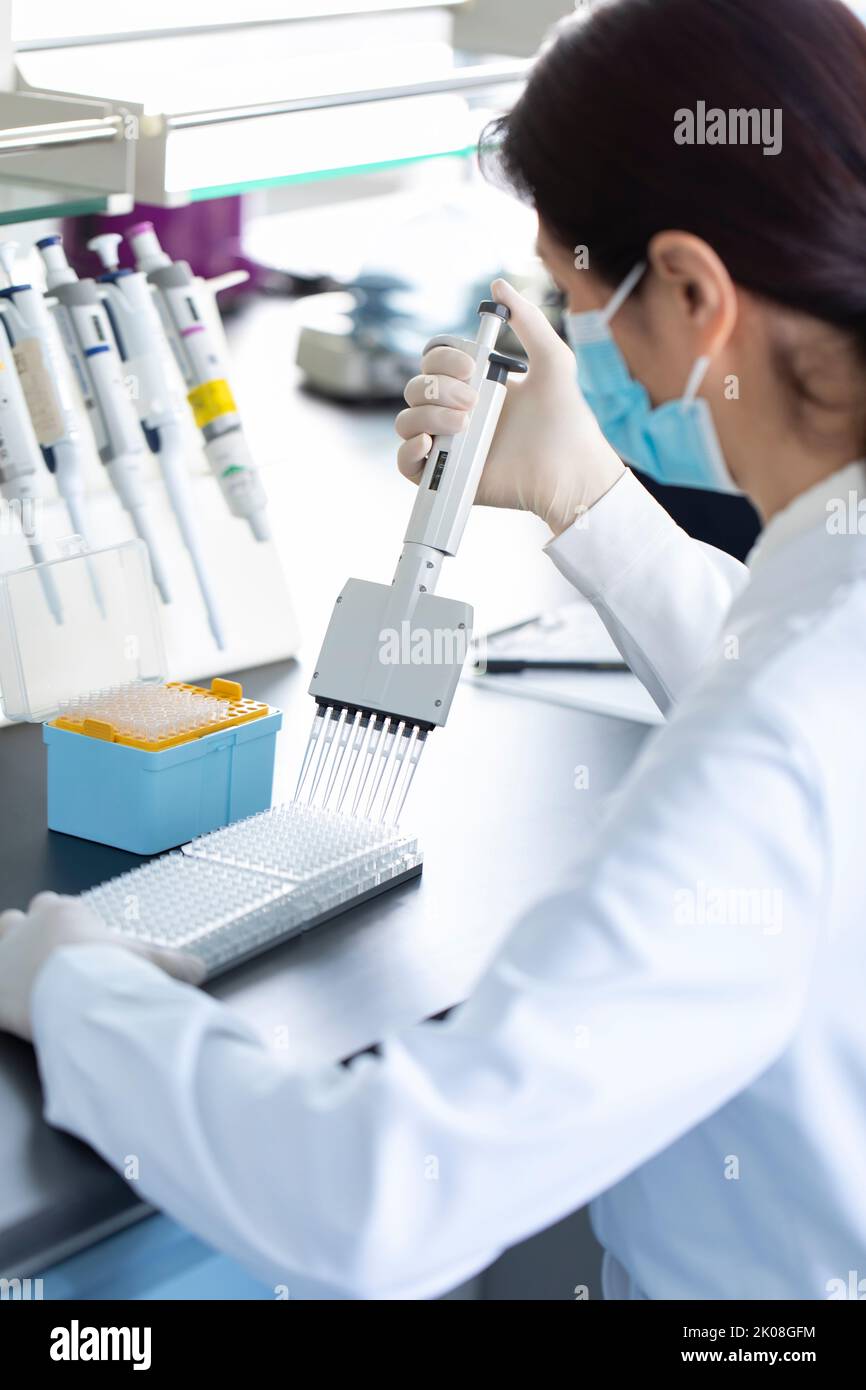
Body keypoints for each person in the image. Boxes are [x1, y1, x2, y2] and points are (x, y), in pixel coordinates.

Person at [2, 0, 865, 1300]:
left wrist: (78, 996)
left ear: (692, 292)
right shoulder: (817, 629)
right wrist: (589, 500)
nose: (585, 350)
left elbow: (382, 1198)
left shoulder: (775, 743)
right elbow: (802, 689)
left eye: (586, 306)